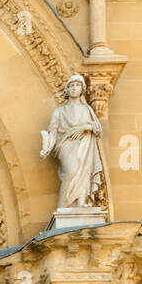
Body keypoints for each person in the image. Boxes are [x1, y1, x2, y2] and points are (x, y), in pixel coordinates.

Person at [40, 74, 103, 209]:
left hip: (85, 144)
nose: (75, 88)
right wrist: (47, 148)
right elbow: (53, 132)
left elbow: (97, 128)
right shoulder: (59, 112)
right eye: (72, 86)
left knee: (83, 170)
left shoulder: (87, 109)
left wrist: (85, 127)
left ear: (82, 89)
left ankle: (81, 201)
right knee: (71, 170)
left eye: (78, 85)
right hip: (66, 144)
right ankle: (63, 205)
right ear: (67, 90)